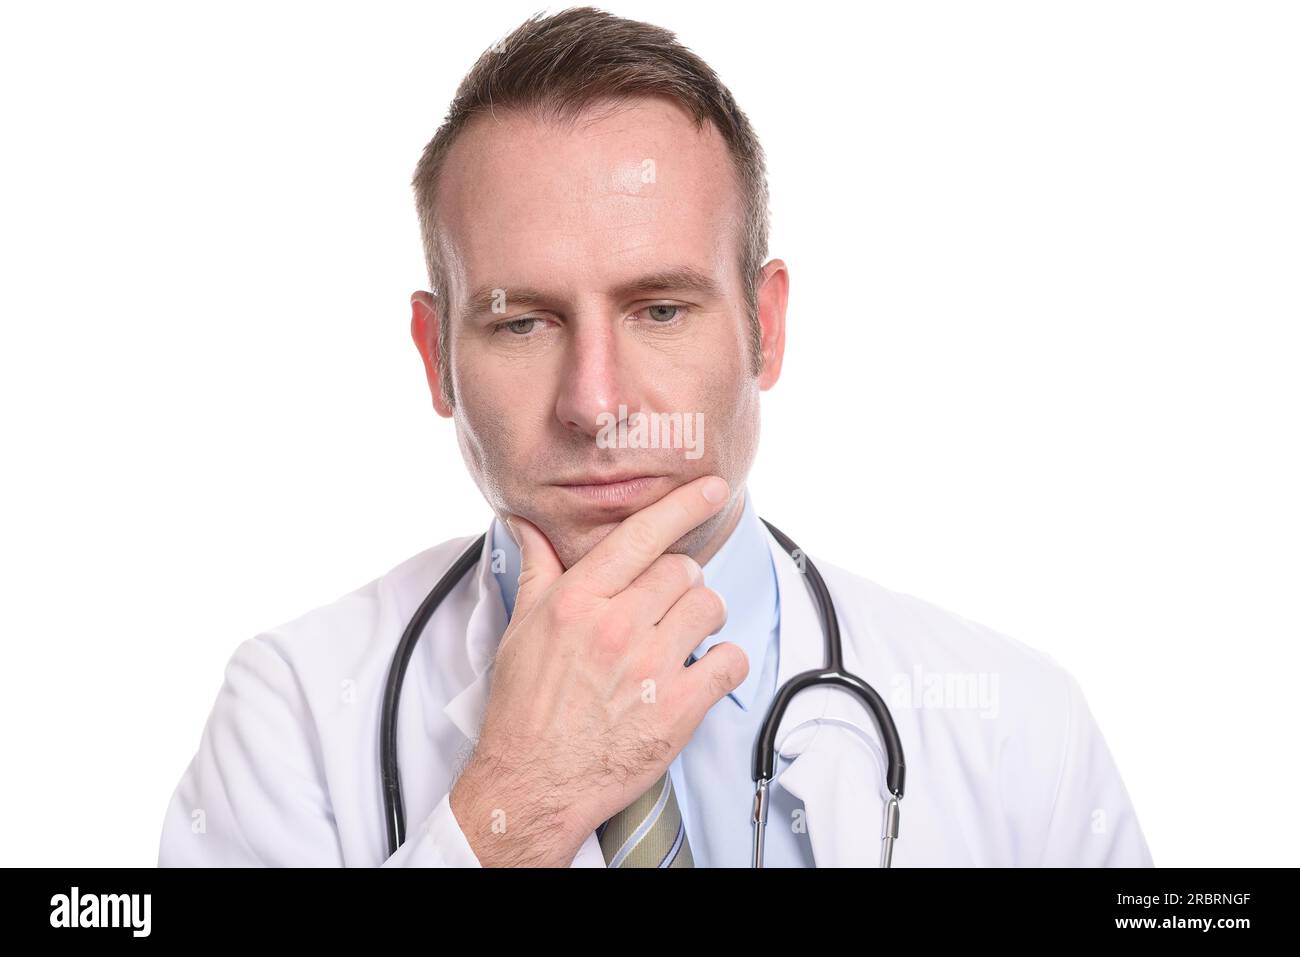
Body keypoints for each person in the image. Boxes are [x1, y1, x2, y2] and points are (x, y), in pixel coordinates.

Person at [158, 6, 1153, 868]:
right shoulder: (291, 712)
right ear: (434, 359)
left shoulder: (1021, 727)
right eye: (521, 322)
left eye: (661, 311)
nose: (595, 405)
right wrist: (512, 808)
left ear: (767, 328)